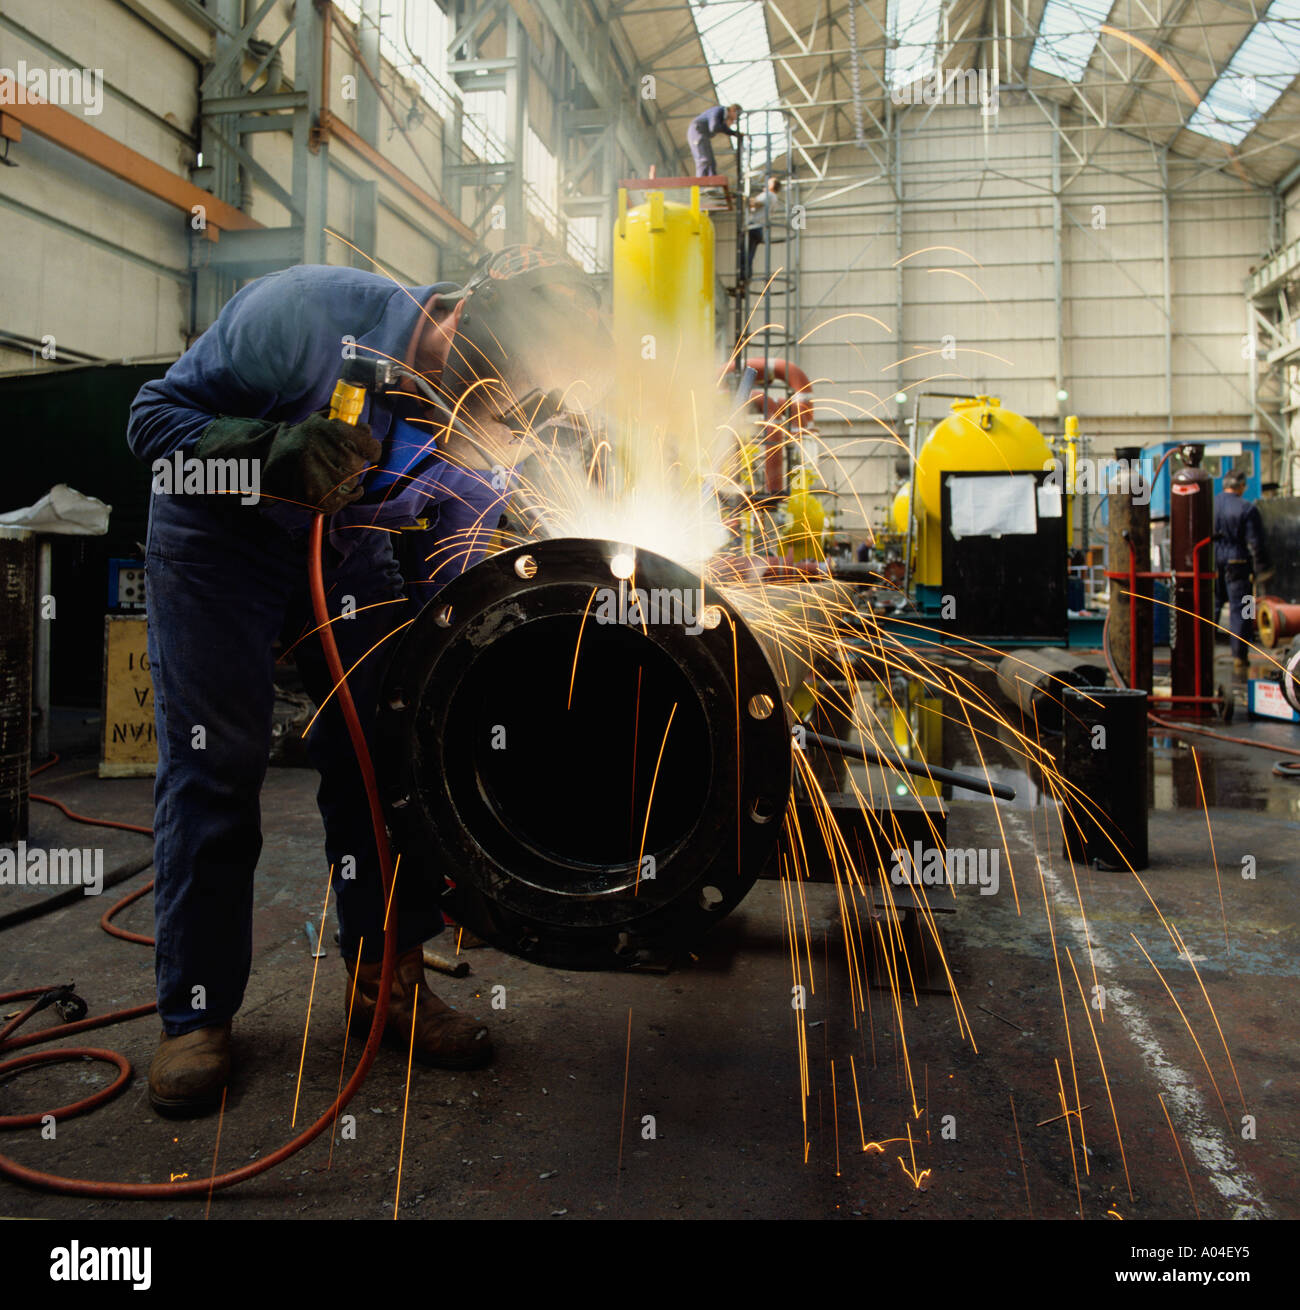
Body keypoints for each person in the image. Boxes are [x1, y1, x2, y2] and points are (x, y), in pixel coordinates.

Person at [127, 246, 608, 1115]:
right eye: (479, 395)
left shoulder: (497, 431)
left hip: (344, 553)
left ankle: (388, 988)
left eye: (503, 410)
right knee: (218, 765)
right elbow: (151, 425)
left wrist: (463, 689)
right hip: (214, 543)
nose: (481, 421)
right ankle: (195, 1016)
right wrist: (266, 452)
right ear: (460, 319)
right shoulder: (304, 311)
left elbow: (446, 580)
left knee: (388, 754)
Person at [1213, 468, 1271, 678]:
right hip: (1239, 563)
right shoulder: (1247, 508)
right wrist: (1261, 570)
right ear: (1241, 486)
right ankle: (1240, 656)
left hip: (1213, 565)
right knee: (1244, 609)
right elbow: (1255, 543)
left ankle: (1203, 652)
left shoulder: (1211, 505)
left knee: (1212, 606)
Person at [742, 174, 782, 282]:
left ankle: (744, 276)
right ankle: (746, 277)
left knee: (745, 254)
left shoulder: (768, 195)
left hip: (754, 225)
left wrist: (745, 199)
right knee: (750, 254)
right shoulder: (775, 199)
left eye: (769, 182)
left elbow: (756, 204)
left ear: (772, 186)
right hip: (760, 228)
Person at [687, 103, 742, 178]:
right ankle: (699, 187)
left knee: (712, 163)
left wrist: (736, 134)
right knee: (704, 160)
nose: (735, 120)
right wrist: (725, 127)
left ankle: (712, 184)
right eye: (736, 116)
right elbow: (713, 127)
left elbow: (719, 128)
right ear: (732, 110)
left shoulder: (722, 116)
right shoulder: (719, 111)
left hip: (703, 135)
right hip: (697, 132)